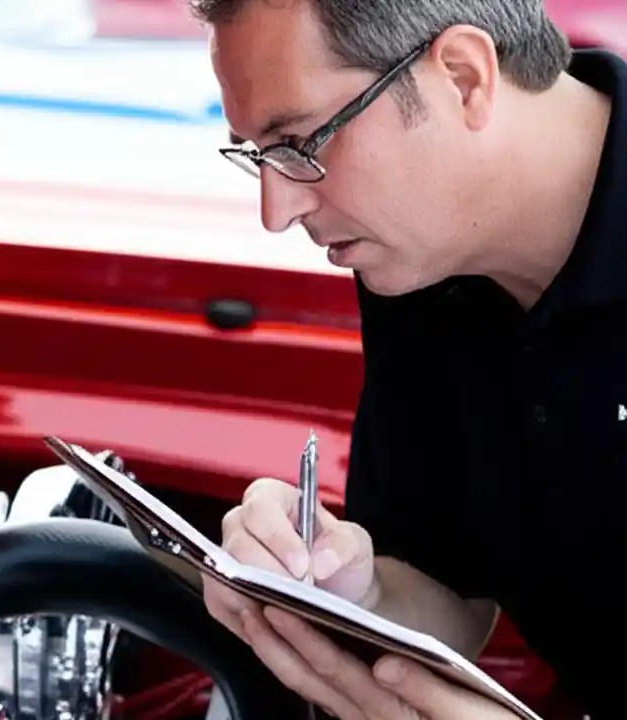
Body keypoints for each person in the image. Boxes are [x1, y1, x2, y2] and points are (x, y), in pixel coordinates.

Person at [194, 0, 623, 718]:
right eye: (258, 156)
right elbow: (446, 585)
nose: (277, 211)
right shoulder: (422, 262)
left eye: (302, 142)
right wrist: (343, 584)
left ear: (462, 77)